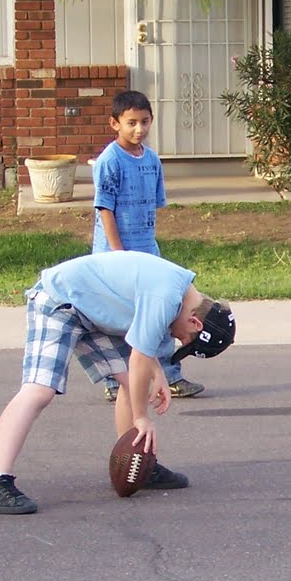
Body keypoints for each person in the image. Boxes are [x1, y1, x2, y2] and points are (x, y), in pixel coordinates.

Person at [0, 250, 235, 515]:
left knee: (134, 384)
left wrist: (158, 373)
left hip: (90, 311)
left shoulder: (179, 292)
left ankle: (134, 462)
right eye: (186, 339)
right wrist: (142, 417)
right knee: (40, 390)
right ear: (195, 322)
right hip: (60, 301)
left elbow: (140, 341)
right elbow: (140, 357)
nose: (178, 339)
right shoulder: (165, 298)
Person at [92, 89, 205, 402]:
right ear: (115, 124)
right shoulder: (109, 161)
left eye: (144, 122)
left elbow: (152, 207)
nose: (138, 129)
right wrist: (118, 254)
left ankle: (170, 377)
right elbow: (105, 210)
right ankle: (116, 381)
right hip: (116, 256)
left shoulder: (152, 160)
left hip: (147, 252)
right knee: (119, 320)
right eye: (131, 123)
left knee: (162, 314)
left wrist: (148, 250)